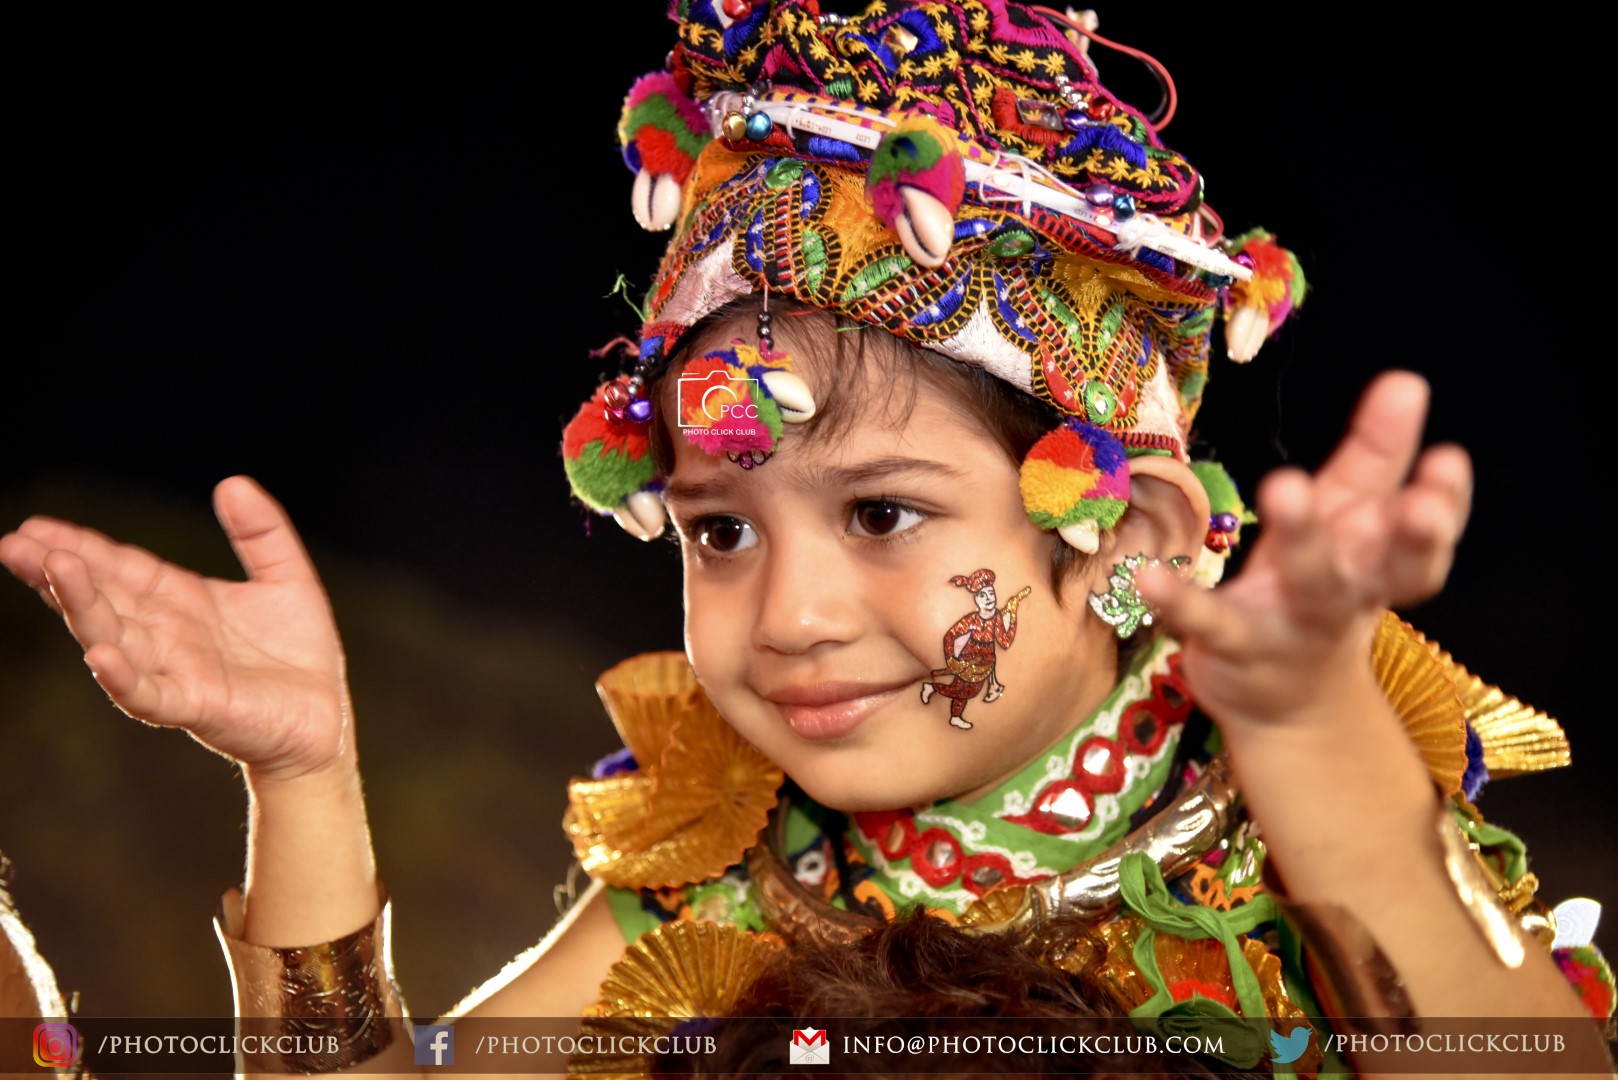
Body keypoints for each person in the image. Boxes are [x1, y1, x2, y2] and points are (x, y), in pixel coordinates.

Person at [2, 2, 1613, 1076]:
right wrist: (303, 781)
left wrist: (1303, 723)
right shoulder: (725, 874)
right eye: (716, 533)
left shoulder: (1284, 826)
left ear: (1124, 533)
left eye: (884, 513)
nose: (788, 616)